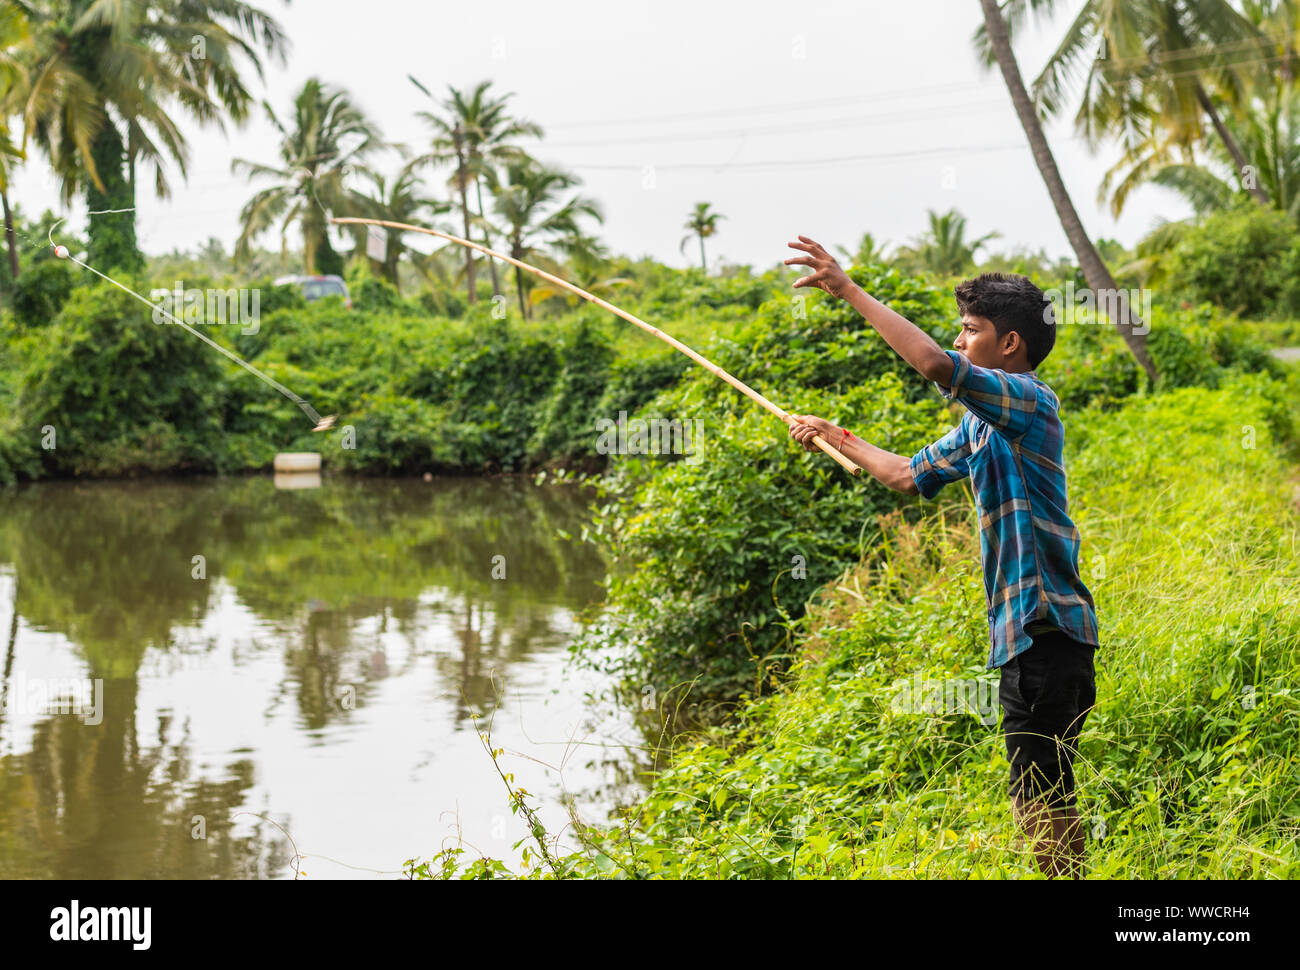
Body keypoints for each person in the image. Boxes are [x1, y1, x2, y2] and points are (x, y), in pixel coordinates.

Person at [784, 235, 1099, 878]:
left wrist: (846, 289)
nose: (958, 340)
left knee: (1040, 793)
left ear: (1008, 344)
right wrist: (833, 435)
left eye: (969, 329)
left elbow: (930, 363)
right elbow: (906, 475)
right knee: (1040, 787)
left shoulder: (1028, 400)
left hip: (1045, 630)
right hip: (1029, 635)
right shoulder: (984, 425)